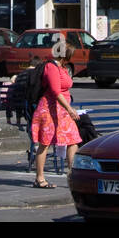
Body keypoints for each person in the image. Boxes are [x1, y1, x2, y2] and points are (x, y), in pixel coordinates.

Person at [31, 42, 81, 188]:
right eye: (70, 56)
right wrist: (70, 109)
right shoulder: (51, 67)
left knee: (73, 139)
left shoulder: (63, 68)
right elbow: (55, 91)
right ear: (64, 56)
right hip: (49, 109)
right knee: (45, 143)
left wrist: (68, 108)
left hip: (63, 111)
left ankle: (72, 176)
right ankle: (39, 178)